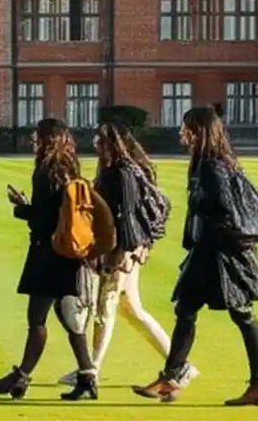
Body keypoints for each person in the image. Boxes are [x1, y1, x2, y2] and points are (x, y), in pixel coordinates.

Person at [133, 106, 258, 406]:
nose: (181, 133)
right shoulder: (219, 162)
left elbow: (223, 209)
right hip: (216, 252)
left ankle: (254, 383)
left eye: (186, 128)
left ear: (198, 131)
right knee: (200, 311)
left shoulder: (211, 166)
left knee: (233, 314)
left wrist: (203, 219)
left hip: (218, 254)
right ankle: (175, 378)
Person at [57, 122, 197, 388]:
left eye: (100, 138)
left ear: (111, 143)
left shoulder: (121, 173)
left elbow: (127, 218)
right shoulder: (120, 170)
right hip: (128, 248)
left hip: (123, 250)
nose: (95, 142)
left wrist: (122, 253)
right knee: (132, 309)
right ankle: (180, 364)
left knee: (105, 309)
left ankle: (91, 370)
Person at [0, 118, 97, 401]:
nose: (34, 140)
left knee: (38, 317)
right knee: (68, 317)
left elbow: (44, 218)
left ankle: (21, 377)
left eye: (38, 136)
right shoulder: (69, 166)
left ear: (48, 139)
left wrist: (22, 208)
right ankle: (86, 377)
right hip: (67, 252)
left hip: (48, 252)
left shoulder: (46, 171)